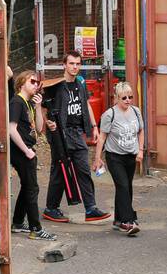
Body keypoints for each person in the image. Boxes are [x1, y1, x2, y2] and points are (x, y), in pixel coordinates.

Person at [42, 51, 109, 225]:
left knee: (84, 170)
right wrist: (47, 124)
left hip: (77, 132)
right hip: (60, 133)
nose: (75, 67)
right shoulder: (56, 85)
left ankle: (91, 209)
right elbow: (43, 107)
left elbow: (85, 103)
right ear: (64, 65)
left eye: (78, 64)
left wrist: (94, 126)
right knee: (60, 170)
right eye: (71, 63)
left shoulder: (80, 83)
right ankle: (51, 208)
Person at [8, 70, 57, 242]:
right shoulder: (16, 102)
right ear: (22, 83)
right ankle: (36, 228)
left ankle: (18, 222)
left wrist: (37, 107)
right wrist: (26, 150)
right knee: (32, 188)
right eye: (32, 82)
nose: (36, 85)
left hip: (28, 148)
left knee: (28, 186)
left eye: (37, 83)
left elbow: (38, 128)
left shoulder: (27, 104)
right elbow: (11, 129)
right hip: (21, 151)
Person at [96, 81, 144, 237]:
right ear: (116, 98)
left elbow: (141, 131)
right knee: (122, 185)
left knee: (126, 187)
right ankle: (128, 221)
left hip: (131, 155)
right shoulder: (110, 114)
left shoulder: (136, 111)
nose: (128, 100)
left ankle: (117, 219)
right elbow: (102, 137)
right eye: (124, 98)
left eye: (130, 97)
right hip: (114, 156)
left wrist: (140, 150)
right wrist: (97, 158)